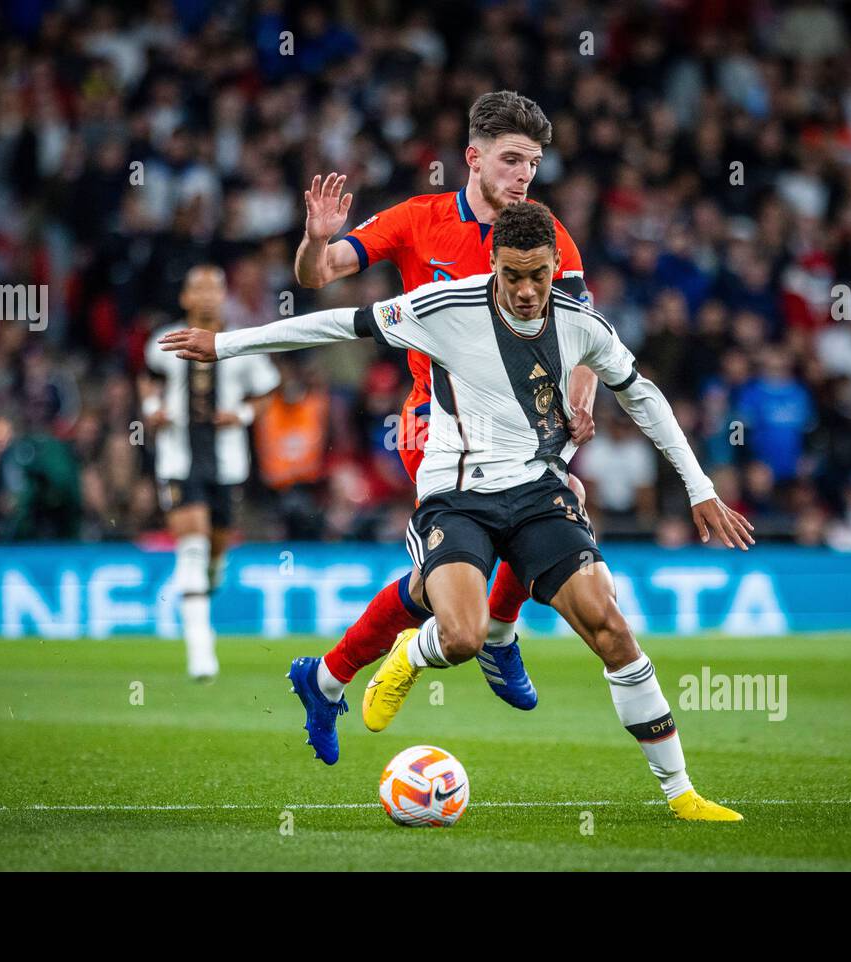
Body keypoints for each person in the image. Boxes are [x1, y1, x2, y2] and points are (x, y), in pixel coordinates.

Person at [160, 201, 754, 820]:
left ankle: (682, 794)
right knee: (463, 635)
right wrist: (225, 344)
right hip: (456, 492)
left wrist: (700, 487)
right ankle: (423, 650)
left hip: (535, 489)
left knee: (610, 626)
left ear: (557, 268)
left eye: (539, 276)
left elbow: (643, 396)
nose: (526, 291)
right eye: (512, 274)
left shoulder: (583, 326)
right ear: (492, 263)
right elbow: (338, 323)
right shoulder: (444, 307)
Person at [287, 89, 596, 763]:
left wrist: (581, 396)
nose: (523, 177)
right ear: (472, 158)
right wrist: (315, 242)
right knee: (526, 522)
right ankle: (496, 637)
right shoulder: (417, 219)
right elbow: (320, 275)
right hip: (435, 423)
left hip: (520, 424)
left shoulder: (545, 233)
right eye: (511, 160)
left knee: (535, 524)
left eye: (533, 164)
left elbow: (585, 338)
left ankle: (331, 676)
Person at [141, 265, 280, 679]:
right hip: (178, 461)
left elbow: (267, 395)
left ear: (223, 297)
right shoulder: (161, 342)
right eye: (196, 287)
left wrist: (239, 414)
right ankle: (201, 651)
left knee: (215, 553)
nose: (204, 295)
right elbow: (147, 382)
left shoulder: (242, 343)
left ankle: (208, 582)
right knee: (193, 545)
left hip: (228, 465)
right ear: (184, 297)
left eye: (213, 288)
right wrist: (152, 410)